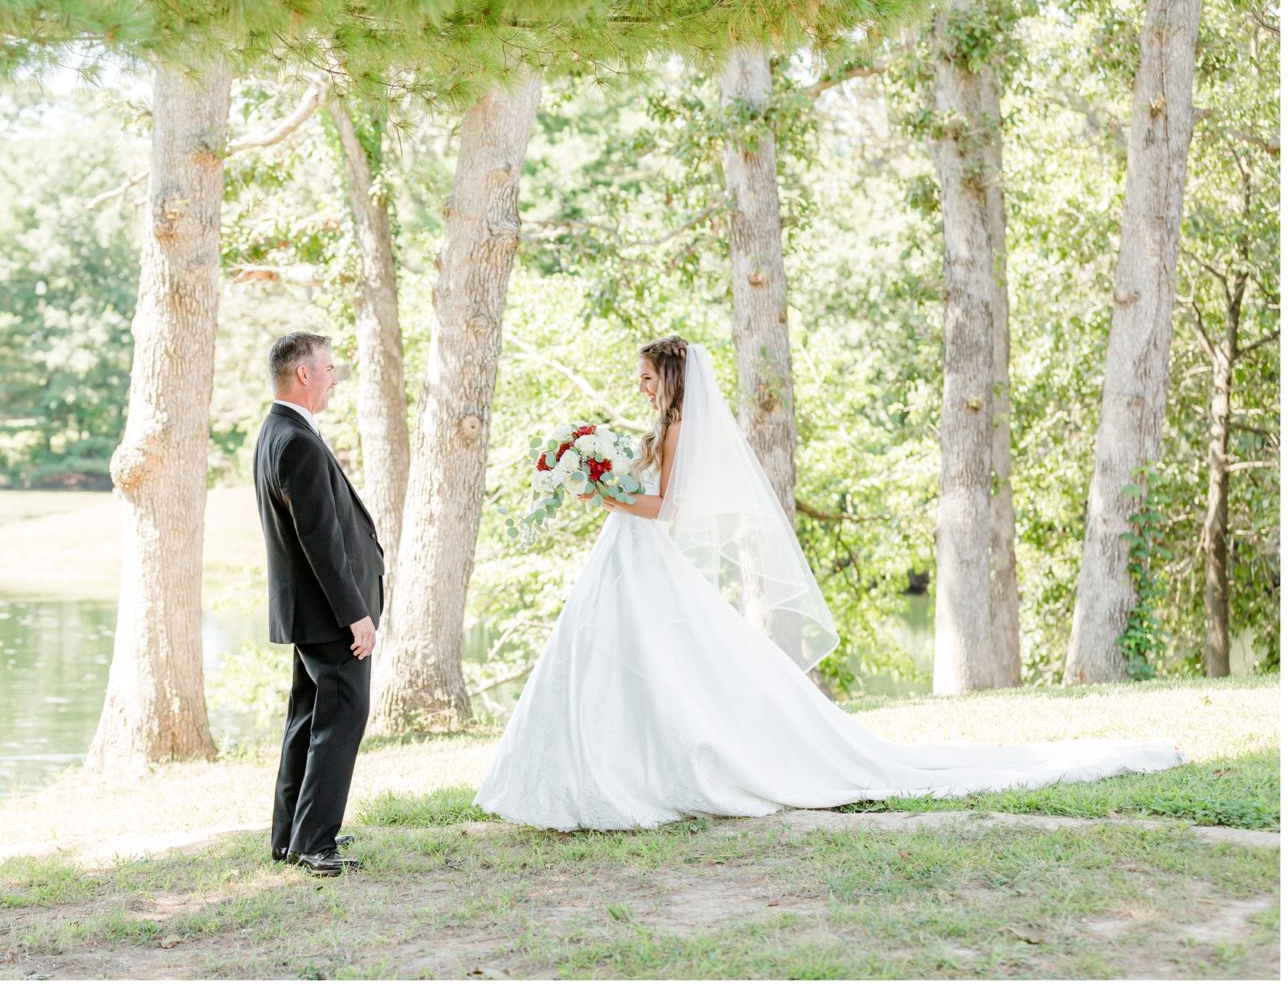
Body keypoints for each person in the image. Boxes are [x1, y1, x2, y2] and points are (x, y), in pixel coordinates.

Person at [475, 335, 1185, 831]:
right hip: (621, 558)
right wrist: (596, 473)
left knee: (660, 666)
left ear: (670, 377)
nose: (640, 384)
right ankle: (586, 772)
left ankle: (645, 771)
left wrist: (601, 491)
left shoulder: (685, 425)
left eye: (646, 375)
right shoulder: (662, 423)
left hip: (639, 554)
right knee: (610, 664)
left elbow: (664, 507)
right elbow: (642, 488)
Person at [253, 331, 384, 874]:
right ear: (304, 374)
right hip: (329, 615)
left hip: (308, 613)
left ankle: (291, 837)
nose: (334, 378)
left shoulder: (278, 431)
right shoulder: (297, 440)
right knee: (341, 718)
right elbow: (320, 539)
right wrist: (356, 614)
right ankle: (314, 845)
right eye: (329, 369)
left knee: (308, 721)